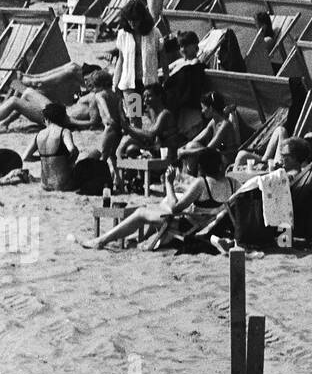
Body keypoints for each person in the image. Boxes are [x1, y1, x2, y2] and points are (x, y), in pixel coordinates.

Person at [83, 148, 232, 250]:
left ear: (202, 167)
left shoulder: (201, 183)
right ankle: (145, 238)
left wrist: (169, 183)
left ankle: (101, 240)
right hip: (213, 225)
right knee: (162, 204)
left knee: (142, 212)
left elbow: (175, 208)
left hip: (191, 227)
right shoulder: (233, 182)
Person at [23, 103, 80, 191]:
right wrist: (70, 161)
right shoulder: (64, 132)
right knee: (93, 154)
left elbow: (25, 157)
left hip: (45, 185)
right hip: (63, 185)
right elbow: (72, 149)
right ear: (63, 118)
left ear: (46, 119)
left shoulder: (39, 134)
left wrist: (44, 157)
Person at [178, 90, 241, 166]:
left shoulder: (225, 125)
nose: (202, 111)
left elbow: (208, 150)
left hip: (226, 161)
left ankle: (189, 175)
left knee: (192, 149)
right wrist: (183, 148)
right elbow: (197, 139)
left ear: (211, 108)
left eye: (203, 108)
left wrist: (185, 152)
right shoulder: (213, 122)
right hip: (217, 156)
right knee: (191, 145)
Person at [118, 84, 181, 159]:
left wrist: (129, 128)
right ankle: (121, 163)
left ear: (159, 96)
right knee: (131, 148)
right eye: (144, 97)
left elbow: (151, 134)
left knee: (128, 140)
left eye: (149, 96)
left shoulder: (165, 113)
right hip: (157, 147)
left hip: (170, 151)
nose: (145, 99)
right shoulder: (151, 112)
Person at [113, 0, 158, 101]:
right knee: (135, 115)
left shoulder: (154, 33)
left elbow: (163, 55)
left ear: (142, 18)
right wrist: (116, 80)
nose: (132, 23)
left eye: (135, 20)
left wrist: (166, 78)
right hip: (130, 84)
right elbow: (121, 59)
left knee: (153, 114)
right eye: (129, 20)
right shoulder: (123, 35)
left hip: (149, 83)